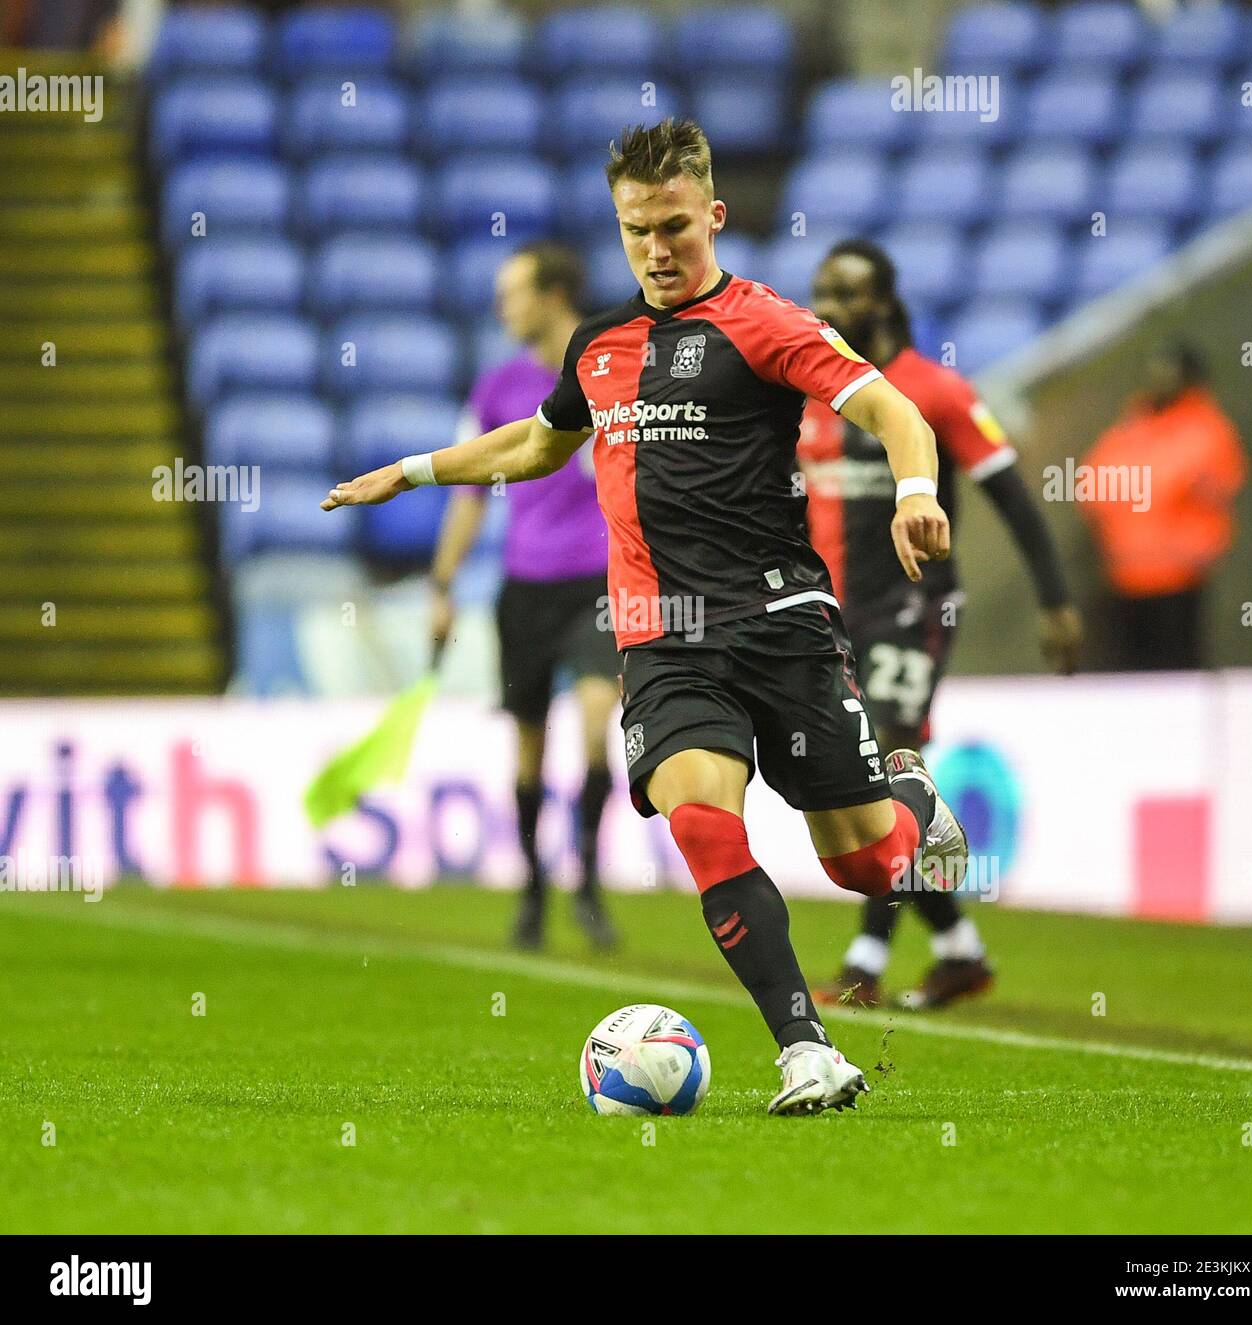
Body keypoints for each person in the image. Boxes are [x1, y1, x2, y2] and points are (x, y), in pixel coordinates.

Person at [321, 118, 968, 1116]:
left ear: (712, 215)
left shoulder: (765, 323)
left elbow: (892, 410)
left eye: (674, 226)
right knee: (702, 822)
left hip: (779, 621)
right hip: (661, 636)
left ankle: (913, 798)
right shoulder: (599, 346)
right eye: (636, 231)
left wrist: (917, 490)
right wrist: (411, 472)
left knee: (865, 861)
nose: (658, 250)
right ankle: (804, 1049)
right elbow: (536, 447)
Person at [799, 240, 1083, 1011]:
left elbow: (1013, 498)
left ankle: (866, 960)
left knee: (889, 763)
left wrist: (1055, 602)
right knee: (864, 784)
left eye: (847, 293)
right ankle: (960, 949)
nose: (828, 306)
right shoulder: (816, 393)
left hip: (914, 608)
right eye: (821, 290)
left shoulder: (936, 391)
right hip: (833, 617)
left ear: (886, 302)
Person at [429, 242, 620, 952]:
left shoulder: (611, 368)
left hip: (600, 580)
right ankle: (535, 887)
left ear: (550, 295)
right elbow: (470, 497)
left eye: (511, 292)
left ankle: (591, 881)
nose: (501, 306)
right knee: (530, 749)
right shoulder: (497, 388)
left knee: (601, 719)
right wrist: (443, 585)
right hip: (525, 588)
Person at [1081, 340, 1246, 671]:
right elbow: (1092, 484)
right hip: (1125, 574)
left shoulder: (1205, 427)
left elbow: (1211, 485)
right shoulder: (1132, 427)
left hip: (1180, 575)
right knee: (1134, 675)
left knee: (1179, 667)